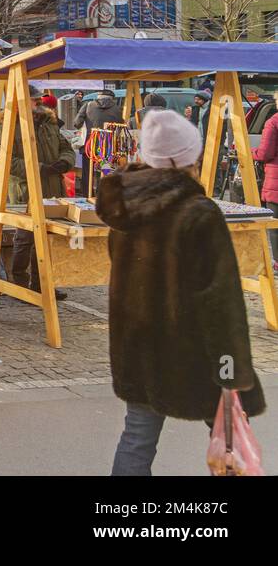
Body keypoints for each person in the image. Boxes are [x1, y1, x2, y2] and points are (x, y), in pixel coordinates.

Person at [98, 110, 265, 475]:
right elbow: (222, 305)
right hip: (196, 356)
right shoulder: (198, 214)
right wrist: (231, 374)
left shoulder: (125, 207)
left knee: (137, 440)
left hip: (140, 351)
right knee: (231, 443)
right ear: (188, 156)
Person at [4, 90, 75, 295]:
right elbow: (6, 159)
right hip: (26, 188)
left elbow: (66, 148)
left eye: (35, 100)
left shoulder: (49, 122)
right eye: (32, 99)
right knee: (25, 237)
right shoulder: (9, 124)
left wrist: (65, 162)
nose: (35, 103)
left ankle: (42, 283)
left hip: (52, 187)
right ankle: (20, 284)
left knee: (45, 238)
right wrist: (37, 167)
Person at [77, 88, 124, 196]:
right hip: (107, 149)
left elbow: (77, 123)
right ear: (112, 98)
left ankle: (86, 199)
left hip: (89, 147)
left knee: (87, 174)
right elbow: (120, 127)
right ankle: (101, 198)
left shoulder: (88, 105)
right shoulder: (117, 109)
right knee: (105, 173)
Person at [252, 109, 278, 258]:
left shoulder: (273, 122)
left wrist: (249, 152)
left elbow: (264, 153)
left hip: (275, 181)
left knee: (275, 226)